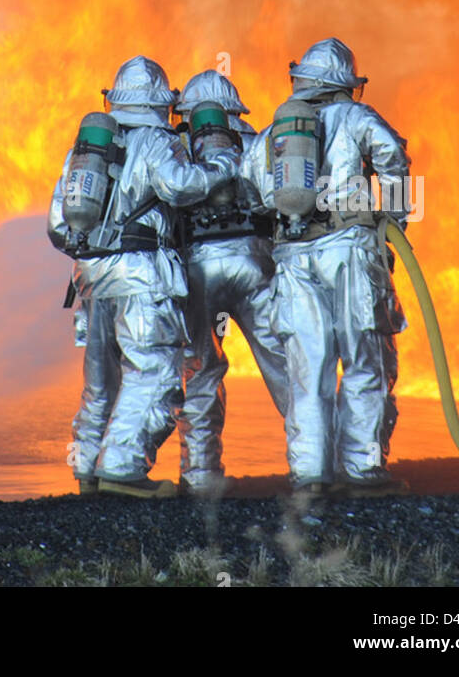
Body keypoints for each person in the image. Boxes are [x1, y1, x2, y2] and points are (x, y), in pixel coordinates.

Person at [48, 56, 237, 499]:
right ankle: (123, 468)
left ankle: (87, 470)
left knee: (101, 381)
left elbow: (58, 226)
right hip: (142, 278)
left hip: (90, 278)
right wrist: (222, 165)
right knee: (154, 372)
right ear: (161, 104)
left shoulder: (84, 151)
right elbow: (179, 186)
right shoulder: (156, 139)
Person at [243, 38, 410, 499]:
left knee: (308, 367)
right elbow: (394, 158)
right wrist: (394, 223)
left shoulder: (274, 132)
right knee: (364, 358)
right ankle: (362, 470)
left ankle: (310, 474)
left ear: (303, 81)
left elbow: (253, 188)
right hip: (351, 250)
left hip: (293, 258)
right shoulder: (357, 118)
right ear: (345, 85)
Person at [173, 70, 287, 497]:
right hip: (255, 265)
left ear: (186, 112)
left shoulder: (177, 148)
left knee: (201, 370)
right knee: (283, 360)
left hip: (198, 273)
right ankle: (315, 464)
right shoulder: (257, 142)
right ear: (236, 110)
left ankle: (201, 475)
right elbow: (275, 201)